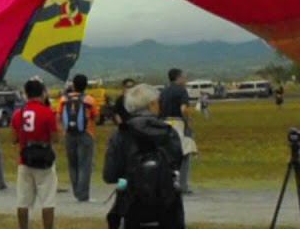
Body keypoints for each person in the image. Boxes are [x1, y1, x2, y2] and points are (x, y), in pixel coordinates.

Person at [103, 83, 185, 229]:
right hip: (167, 203)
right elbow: (176, 163)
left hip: (131, 205)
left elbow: (109, 174)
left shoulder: (120, 134)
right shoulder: (167, 131)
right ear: (152, 104)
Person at [10, 78, 57, 229]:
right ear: (42, 93)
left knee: (23, 201)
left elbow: (13, 139)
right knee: (48, 201)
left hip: (25, 160)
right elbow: (55, 138)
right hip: (44, 161)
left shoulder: (19, 113)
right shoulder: (48, 112)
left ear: (26, 94)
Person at [59, 74, 98, 203]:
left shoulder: (64, 99)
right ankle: (83, 195)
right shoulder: (89, 100)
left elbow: (59, 115)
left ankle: (76, 192)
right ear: (86, 85)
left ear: (73, 85)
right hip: (86, 134)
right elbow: (95, 116)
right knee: (85, 164)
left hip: (69, 134)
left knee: (73, 164)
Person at [158, 69, 196, 195]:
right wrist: (188, 121)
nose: (185, 79)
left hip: (164, 124)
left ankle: (166, 184)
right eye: (184, 77)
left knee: (166, 156)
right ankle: (182, 184)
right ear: (178, 78)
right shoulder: (181, 90)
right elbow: (183, 108)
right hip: (178, 123)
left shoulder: (163, 91)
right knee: (184, 153)